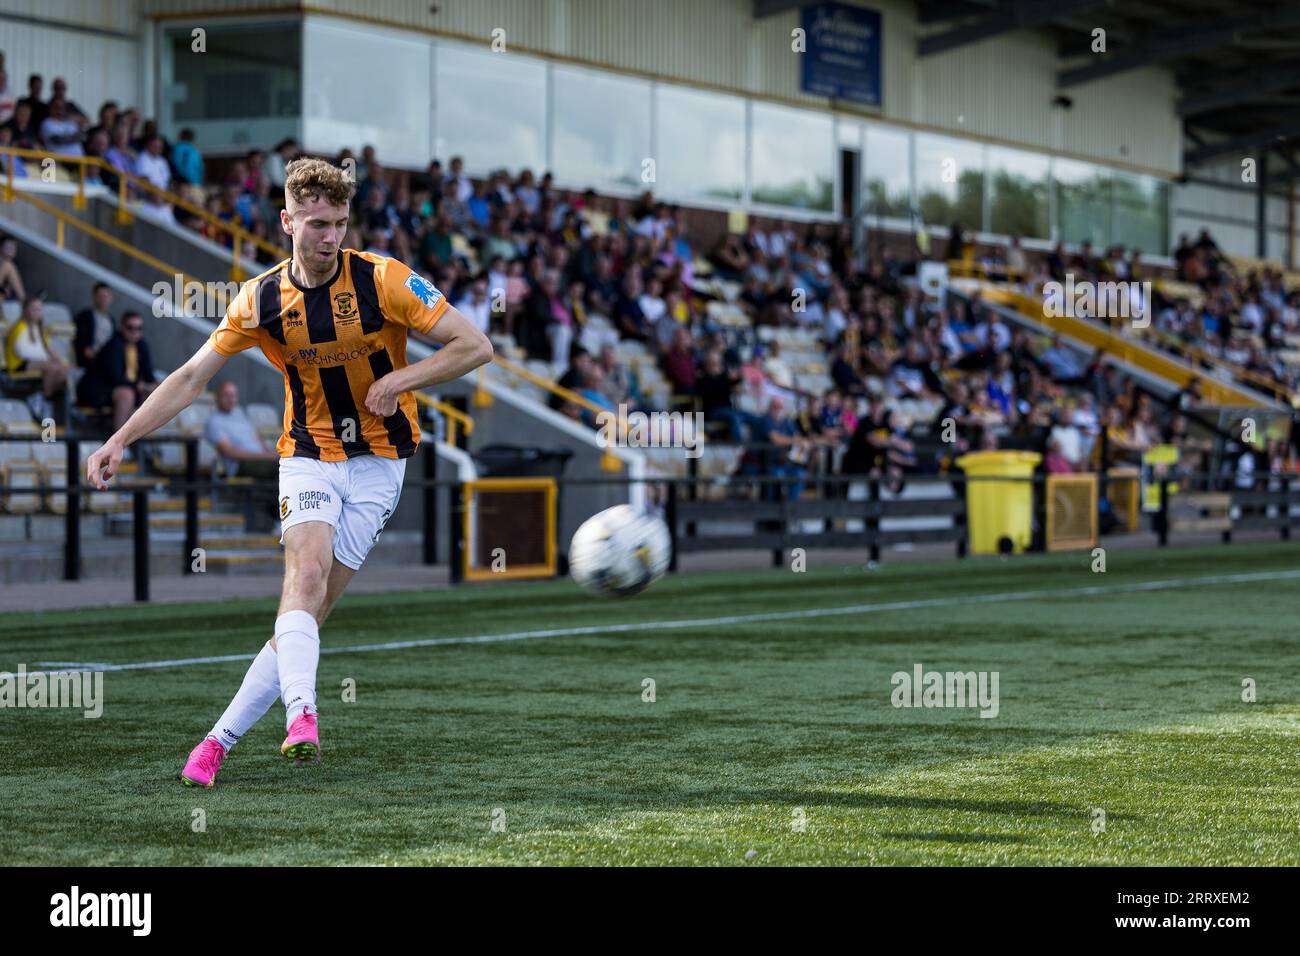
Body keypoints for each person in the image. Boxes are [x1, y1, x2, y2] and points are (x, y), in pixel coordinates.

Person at [85, 157, 493, 788]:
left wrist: (401, 379)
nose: (328, 236)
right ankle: (303, 715)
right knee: (304, 573)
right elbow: (192, 377)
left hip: (381, 465)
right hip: (306, 453)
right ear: (286, 221)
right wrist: (120, 438)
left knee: (305, 619)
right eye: (314, 223)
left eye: (337, 223)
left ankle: (214, 745)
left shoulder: (386, 279)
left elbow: (474, 345)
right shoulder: (260, 299)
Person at [75, 312, 158, 430]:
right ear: (122, 328)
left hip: (120, 389)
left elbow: (149, 375)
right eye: (130, 328)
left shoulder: (142, 345)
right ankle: (119, 443)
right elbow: (116, 378)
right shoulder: (114, 345)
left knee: (156, 391)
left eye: (139, 328)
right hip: (95, 391)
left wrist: (155, 386)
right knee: (126, 394)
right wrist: (139, 385)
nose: (135, 332)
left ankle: (143, 439)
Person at [4, 295, 67, 420]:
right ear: (26, 310)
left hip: (37, 363)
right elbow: (23, 352)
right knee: (50, 367)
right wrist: (48, 360)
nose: (37, 312)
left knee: (61, 370)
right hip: (18, 365)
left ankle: (44, 396)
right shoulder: (19, 327)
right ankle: (44, 400)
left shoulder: (40, 330)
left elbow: (48, 349)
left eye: (39, 309)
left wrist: (60, 362)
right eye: (34, 309)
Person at [205, 380, 278, 478]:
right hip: (241, 466)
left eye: (233, 395)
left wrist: (270, 453)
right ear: (217, 397)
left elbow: (257, 439)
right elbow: (229, 452)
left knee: (292, 462)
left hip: (261, 460)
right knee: (281, 467)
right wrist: (265, 456)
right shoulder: (214, 421)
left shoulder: (240, 416)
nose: (230, 399)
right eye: (226, 395)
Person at [73, 281, 116, 368]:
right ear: (94, 297)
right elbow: (83, 347)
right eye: (100, 296)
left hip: (108, 360)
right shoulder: (85, 316)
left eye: (105, 296)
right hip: (91, 363)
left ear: (110, 298)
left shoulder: (111, 320)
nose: (103, 299)